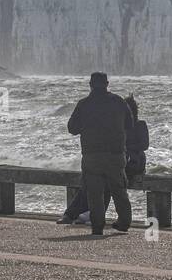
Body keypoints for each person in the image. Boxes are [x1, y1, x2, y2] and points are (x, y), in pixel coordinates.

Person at [60, 72, 133, 235]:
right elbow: (130, 123)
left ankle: (97, 226)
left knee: (94, 192)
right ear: (107, 84)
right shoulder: (119, 102)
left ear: (90, 85)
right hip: (115, 154)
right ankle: (124, 222)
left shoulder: (84, 104)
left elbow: (72, 128)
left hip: (92, 155)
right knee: (119, 190)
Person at [57, 94, 147, 225]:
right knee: (91, 181)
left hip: (134, 163)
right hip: (118, 162)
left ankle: (91, 216)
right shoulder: (117, 125)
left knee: (105, 181)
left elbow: (144, 145)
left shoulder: (139, 125)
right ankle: (74, 214)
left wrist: (124, 147)